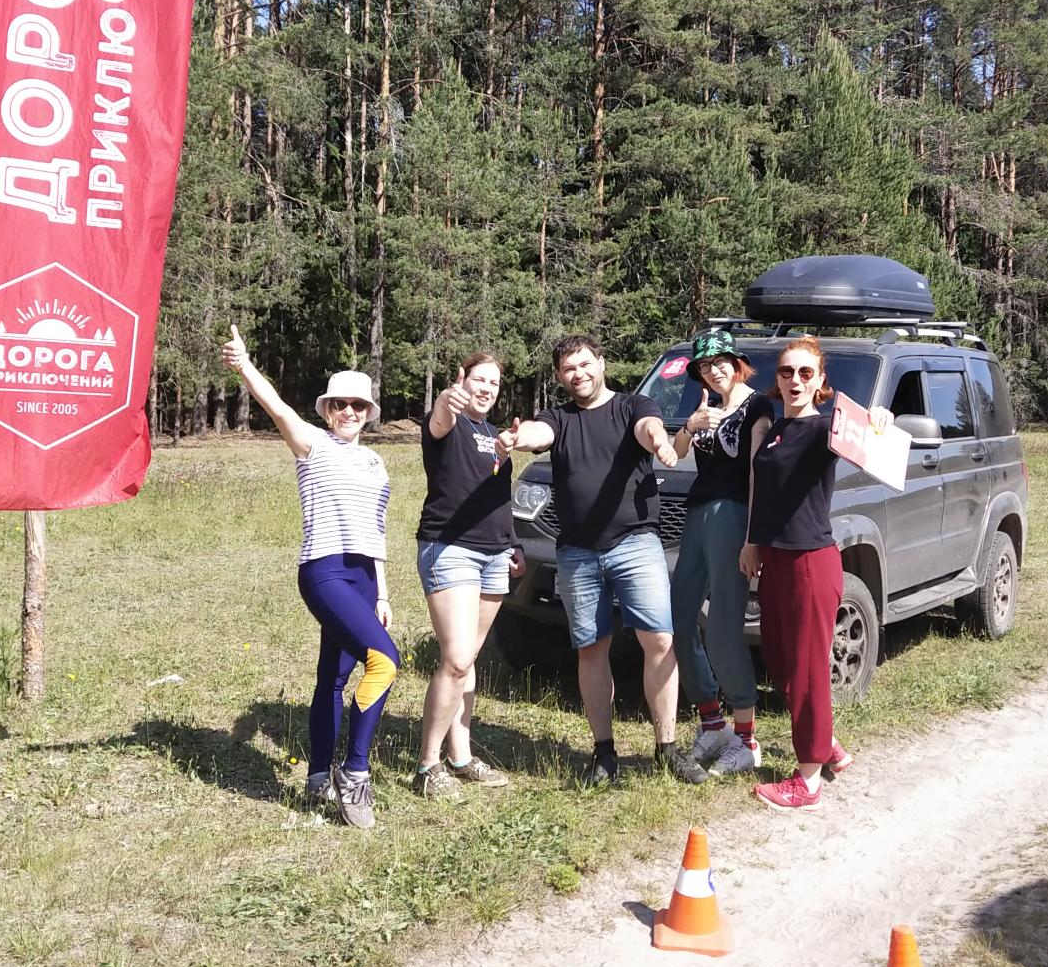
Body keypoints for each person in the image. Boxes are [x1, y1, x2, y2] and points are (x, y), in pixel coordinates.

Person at [497, 333, 703, 788]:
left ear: (601, 363)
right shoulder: (561, 418)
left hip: (635, 544)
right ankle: (603, 753)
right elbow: (538, 434)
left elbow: (648, 429)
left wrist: (661, 444)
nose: (579, 374)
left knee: (660, 641)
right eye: (570, 368)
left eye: (586, 364)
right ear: (559, 376)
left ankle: (666, 747)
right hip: (577, 551)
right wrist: (517, 436)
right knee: (592, 648)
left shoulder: (633, 406)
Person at [221, 324, 397, 830]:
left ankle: (319, 774)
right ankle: (356, 774)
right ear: (326, 409)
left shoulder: (375, 461)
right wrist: (246, 365)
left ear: (368, 413)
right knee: (385, 661)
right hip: (325, 571)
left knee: (334, 678)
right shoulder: (312, 445)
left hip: (363, 576)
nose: (348, 412)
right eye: (339, 404)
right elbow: (275, 405)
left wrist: (382, 592)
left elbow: (377, 529)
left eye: (357, 406)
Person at [738, 336, 889, 813]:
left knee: (806, 670)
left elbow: (873, 445)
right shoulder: (776, 427)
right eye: (787, 372)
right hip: (776, 559)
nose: (796, 380)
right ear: (776, 378)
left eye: (806, 373)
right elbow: (762, 491)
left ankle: (808, 779)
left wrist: (880, 422)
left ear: (821, 381)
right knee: (782, 663)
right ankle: (829, 748)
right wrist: (751, 541)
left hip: (811, 562)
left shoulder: (827, 428)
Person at [668, 327, 776, 776]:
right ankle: (712, 721)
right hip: (697, 514)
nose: (714, 372)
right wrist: (690, 426)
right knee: (676, 618)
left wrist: (753, 538)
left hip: (733, 516)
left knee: (724, 628)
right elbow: (673, 455)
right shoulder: (705, 408)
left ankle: (747, 738)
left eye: (721, 363)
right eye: (705, 367)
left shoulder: (758, 406)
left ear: (737, 362)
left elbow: (756, 474)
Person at [413, 353, 521, 799]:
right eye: (479, 379)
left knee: (467, 663)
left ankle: (460, 756)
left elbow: (498, 495)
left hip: (495, 556)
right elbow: (439, 419)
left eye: (494, 382)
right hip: (450, 549)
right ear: (463, 381)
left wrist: (513, 542)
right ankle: (426, 766)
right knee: (456, 659)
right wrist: (445, 401)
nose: (486, 387)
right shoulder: (448, 424)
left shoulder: (496, 436)